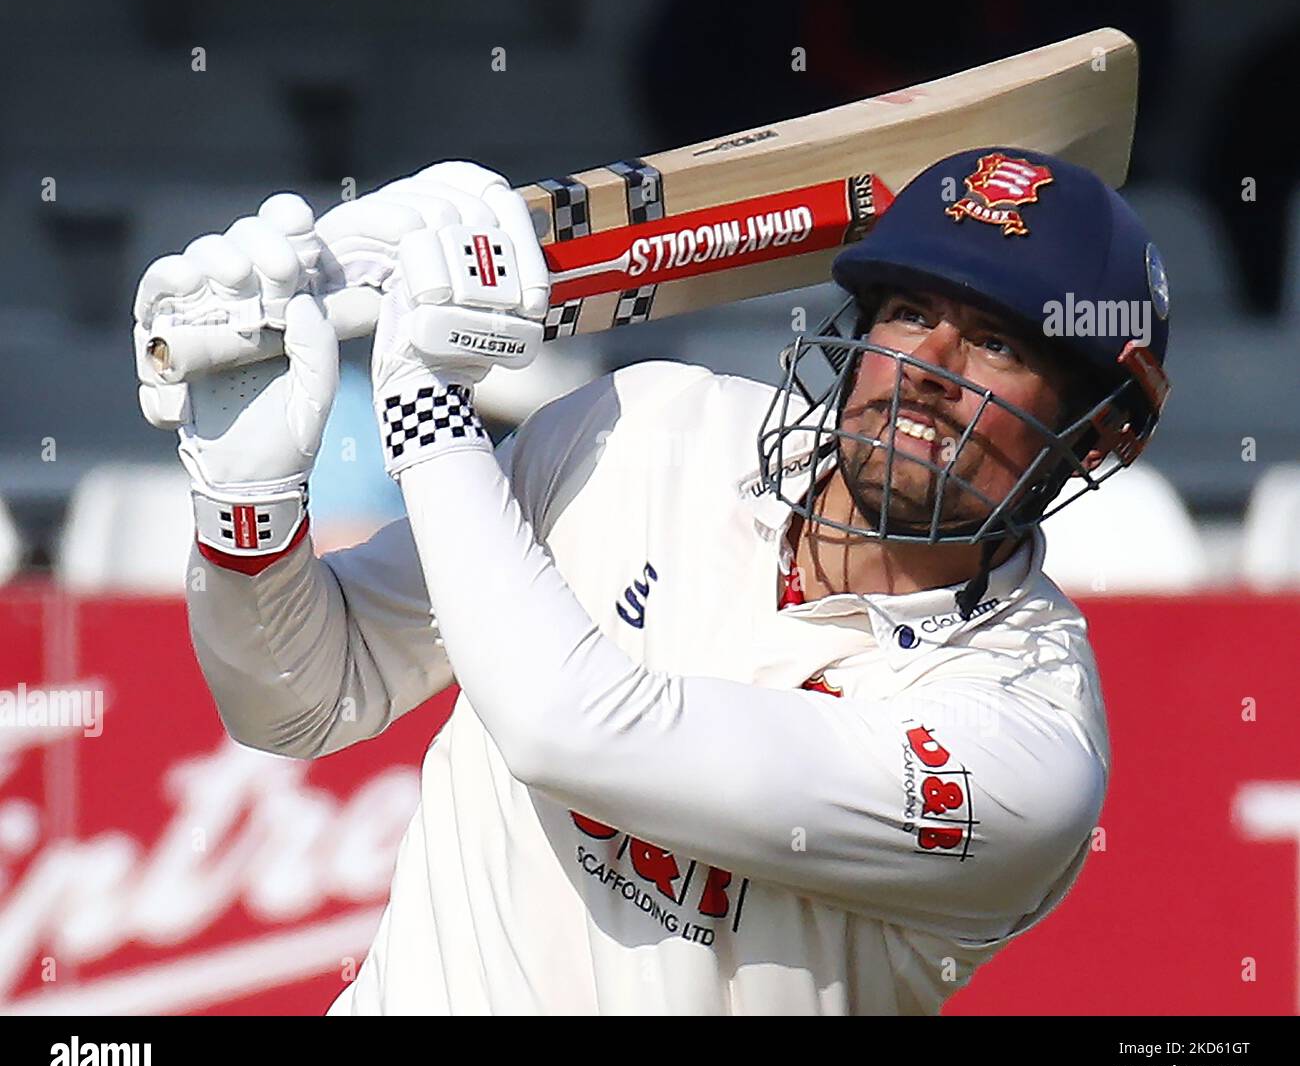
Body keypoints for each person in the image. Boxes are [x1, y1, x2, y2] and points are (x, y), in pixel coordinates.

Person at [131, 148, 1171, 1015]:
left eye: (993, 342)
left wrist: (424, 405)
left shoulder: (1023, 748)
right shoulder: (647, 426)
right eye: (905, 312)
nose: (927, 366)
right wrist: (248, 505)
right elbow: (305, 699)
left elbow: (571, 733)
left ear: (1098, 434)